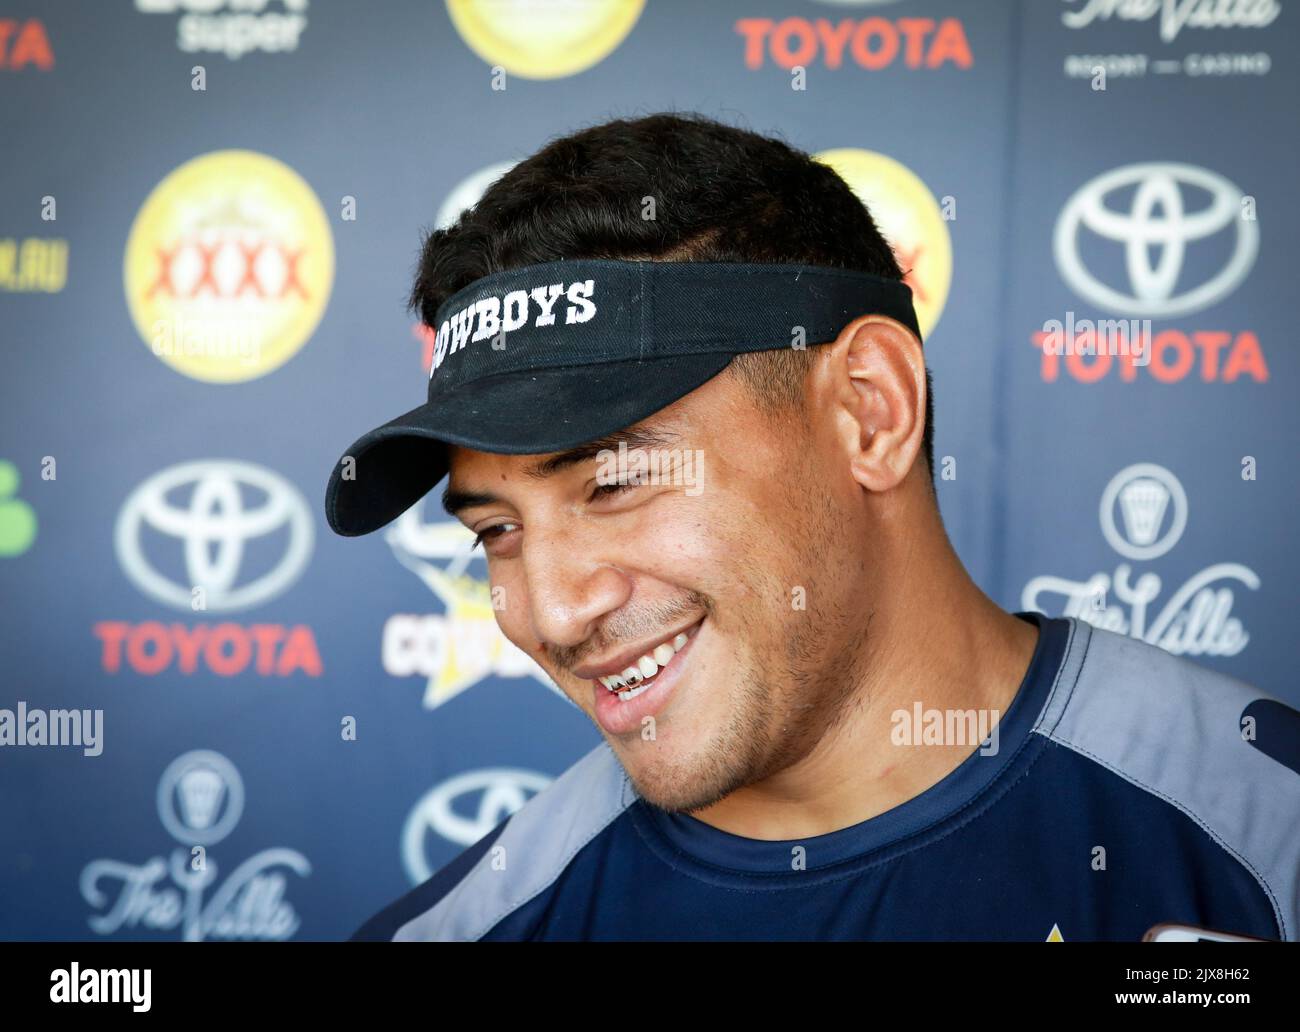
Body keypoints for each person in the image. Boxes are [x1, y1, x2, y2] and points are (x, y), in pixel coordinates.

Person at [325, 112, 1299, 941]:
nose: (554, 609)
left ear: (868, 411)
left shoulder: (1262, 843)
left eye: (614, 480)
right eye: (496, 531)